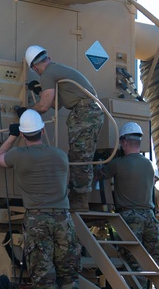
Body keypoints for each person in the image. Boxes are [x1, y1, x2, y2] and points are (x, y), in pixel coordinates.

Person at [0, 110, 96, 289]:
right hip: (62, 218)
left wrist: (12, 137)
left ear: (23, 134)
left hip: (36, 219)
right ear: (42, 130)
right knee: (68, 271)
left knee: (44, 273)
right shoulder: (60, 156)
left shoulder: (18, 155)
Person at [19, 45, 104, 211]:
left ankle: (79, 201)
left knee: (80, 156)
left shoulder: (48, 74)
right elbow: (55, 105)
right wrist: (40, 90)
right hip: (90, 112)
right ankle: (79, 197)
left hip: (85, 113)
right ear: (47, 58)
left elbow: (43, 106)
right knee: (80, 155)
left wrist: (26, 113)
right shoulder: (56, 70)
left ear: (35, 68)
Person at [98, 123, 159, 289]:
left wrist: (99, 163)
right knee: (158, 260)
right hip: (150, 219)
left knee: (134, 261)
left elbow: (99, 175)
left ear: (124, 142)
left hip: (131, 218)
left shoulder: (118, 164)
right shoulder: (149, 165)